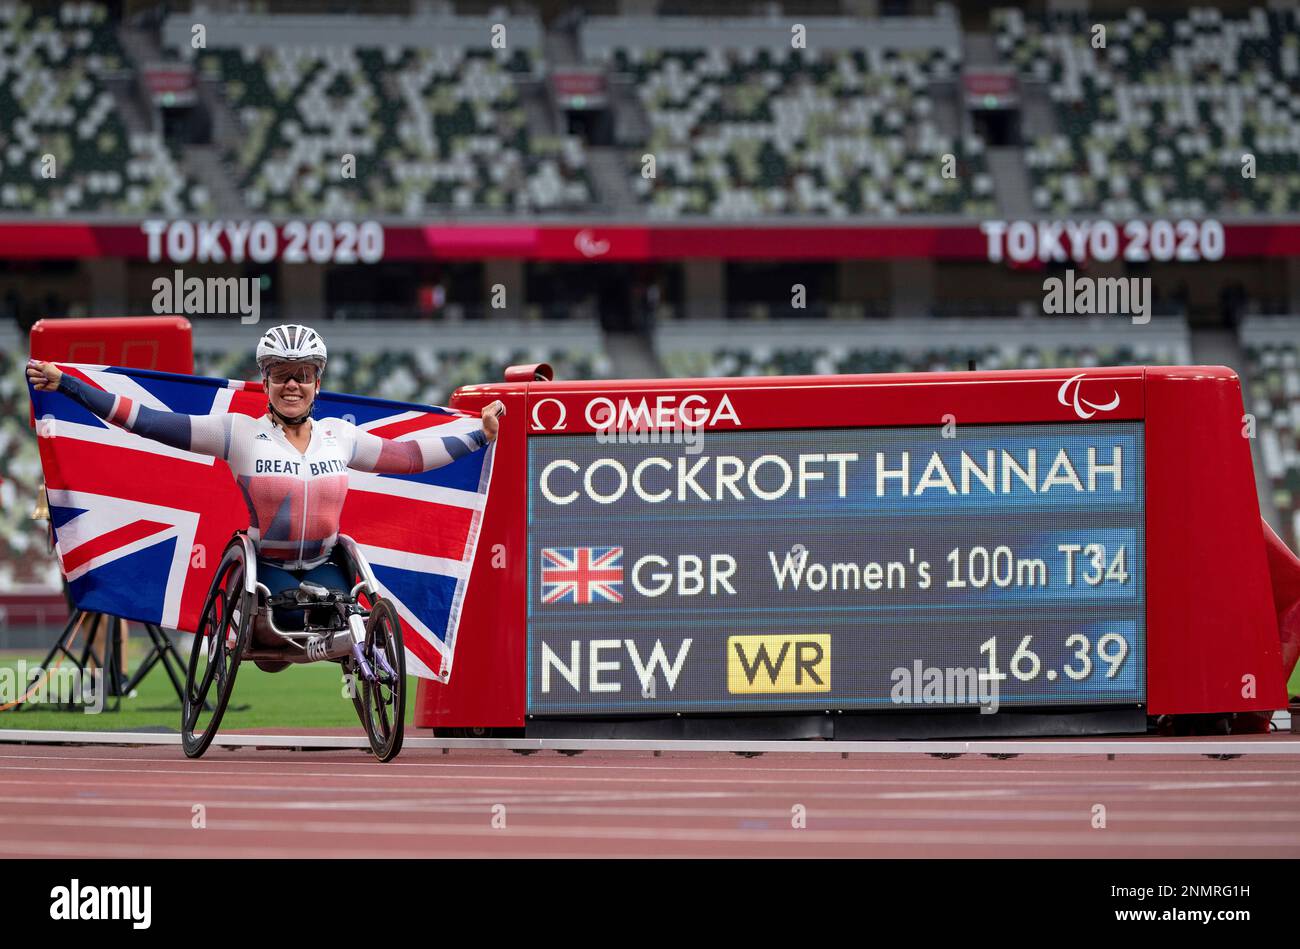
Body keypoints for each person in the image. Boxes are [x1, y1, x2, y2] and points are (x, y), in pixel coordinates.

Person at [27, 324, 503, 668]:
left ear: (318, 382)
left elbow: (412, 456)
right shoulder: (237, 433)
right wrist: (69, 384)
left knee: (371, 600)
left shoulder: (342, 435)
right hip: (265, 571)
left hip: (331, 567)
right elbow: (149, 421)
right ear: (266, 382)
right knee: (272, 650)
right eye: (281, 374)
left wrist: (480, 436)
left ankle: (369, 658)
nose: (292, 383)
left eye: (303, 374)